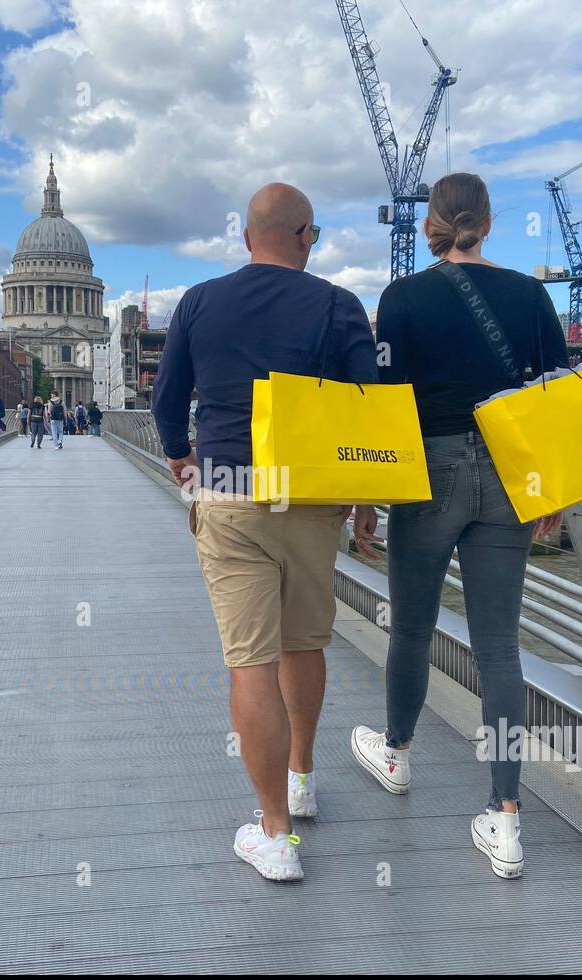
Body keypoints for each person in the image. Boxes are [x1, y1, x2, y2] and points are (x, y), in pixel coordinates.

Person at [152, 182, 380, 882]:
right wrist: (365, 496)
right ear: (306, 237)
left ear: (247, 237)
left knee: (250, 660)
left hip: (227, 493)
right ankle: (303, 776)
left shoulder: (199, 301)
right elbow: (365, 407)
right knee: (305, 642)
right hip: (310, 498)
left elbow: (167, 399)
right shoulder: (339, 305)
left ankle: (275, 833)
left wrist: (182, 460)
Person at [349, 173, 567, 880]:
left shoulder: (403, 297)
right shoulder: (531, 295)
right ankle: (506, 819)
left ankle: (397, 754)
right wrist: (552, 491)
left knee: (412, 626)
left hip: (430, 471)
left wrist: (367, 495)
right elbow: (555, 395)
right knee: (499, 647)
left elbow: (387, 407)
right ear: (490, 222)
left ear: (432, 224)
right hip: (509, 472)